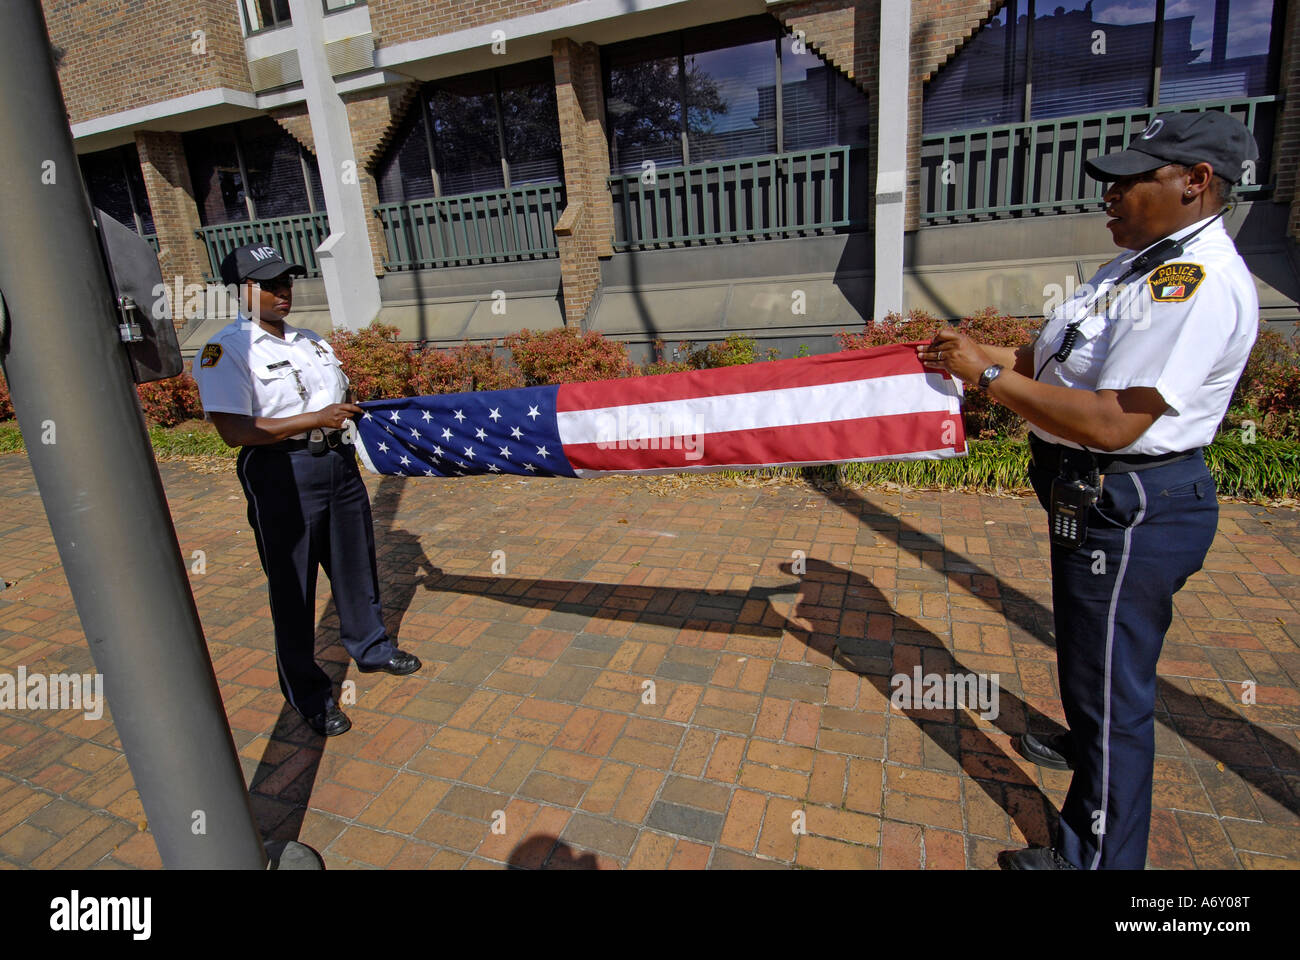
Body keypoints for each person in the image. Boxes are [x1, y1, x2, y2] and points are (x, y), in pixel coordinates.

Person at [917, 110, 1260, 869]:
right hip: (1091, 496)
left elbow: (1113, 421)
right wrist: (979, 355)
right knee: (1089, 653)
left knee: (1113, 687)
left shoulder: (1193, 285)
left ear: (1196, 183)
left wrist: (990, 377)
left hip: (1131, 502)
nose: (1107, 193)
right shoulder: (1133, 265)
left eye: (1130, 179)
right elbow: (1051, 361)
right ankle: (1088, 740)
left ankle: (1096, 860)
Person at [193, 243, 420, 738]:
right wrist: (314, 419)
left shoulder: (311, 341)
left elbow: (338, 395)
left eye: (287, 281)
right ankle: (308, 693)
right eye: (269, 283)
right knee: (293, 586)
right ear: (240, 290)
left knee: (355, 563)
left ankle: (372, 646)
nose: (283, 291)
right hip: (280, 472)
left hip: (335, 465)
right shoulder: (225, 351)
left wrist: (349, 413)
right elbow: (235, 431)